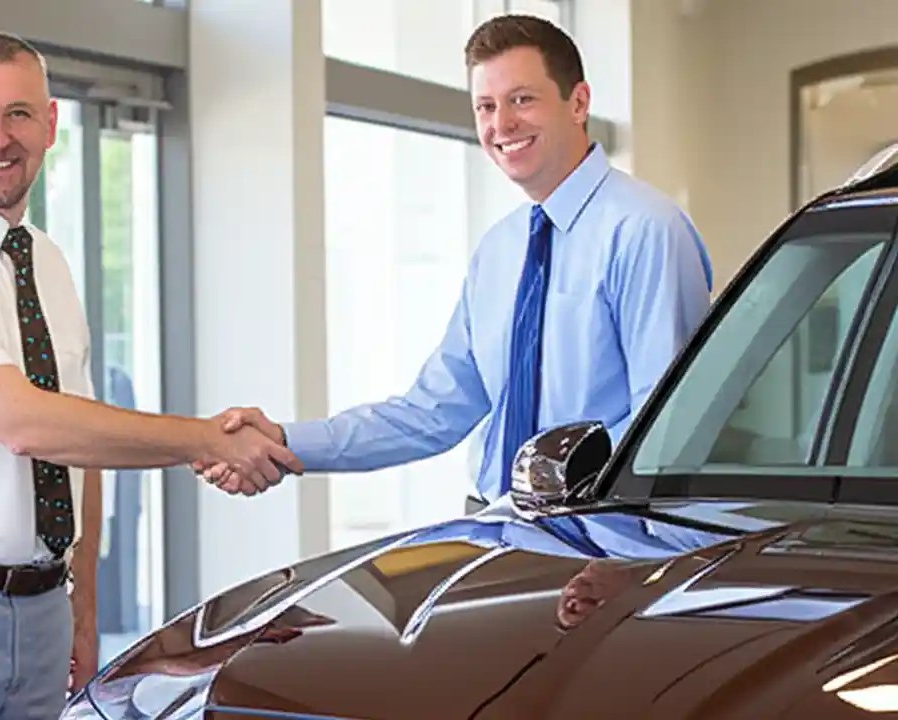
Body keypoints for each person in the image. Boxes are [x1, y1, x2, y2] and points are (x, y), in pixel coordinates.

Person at [0, 32, 302, 720]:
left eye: (19, 114)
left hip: (41, 608)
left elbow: (78, 446)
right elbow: (25, 423)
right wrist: (208, 439)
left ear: (51, 123)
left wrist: (82, 599)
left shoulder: (47, 262)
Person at [199, 14, 713, 513]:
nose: (501, 124)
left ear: (578, 102)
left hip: (599, 541)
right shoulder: (500, 249)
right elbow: (432, 413)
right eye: (485, 106)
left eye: (522, 100)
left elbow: (668, 430)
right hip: (494, 527)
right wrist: (286, 442)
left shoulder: (646, 231)